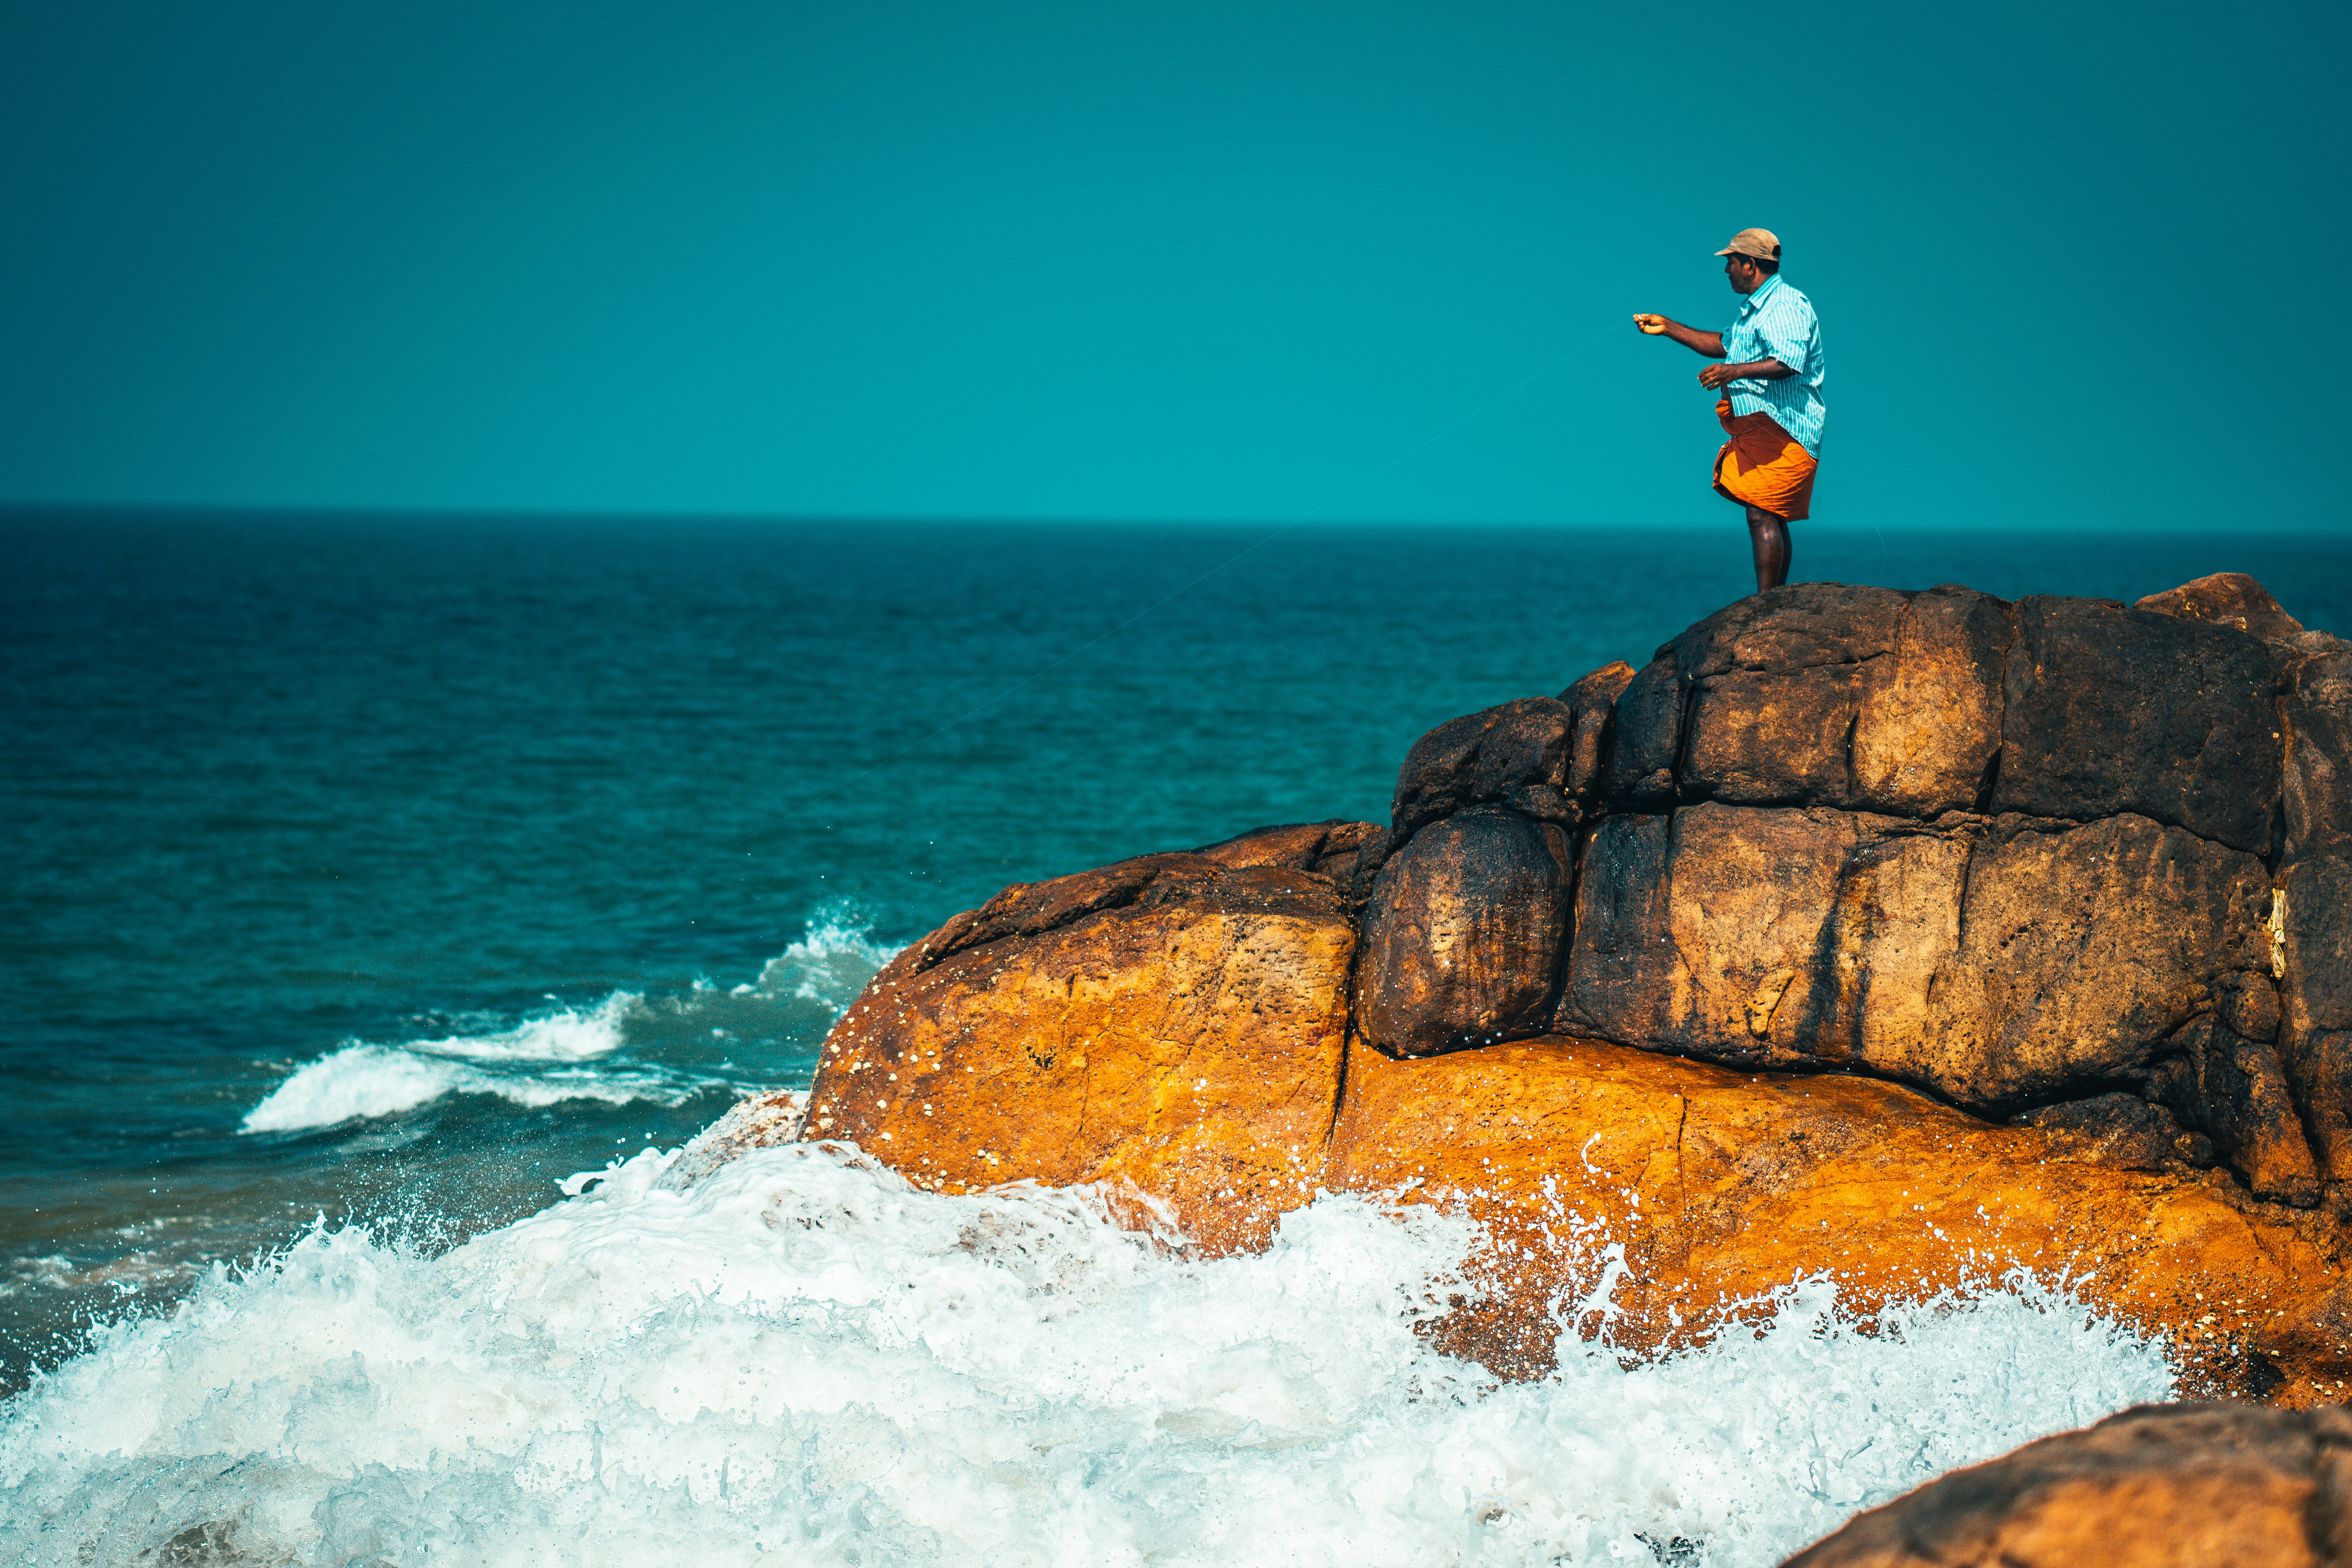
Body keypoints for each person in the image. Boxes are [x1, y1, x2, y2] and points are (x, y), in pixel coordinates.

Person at [1632, 229, 1825, 592]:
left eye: (1732, 263)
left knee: (1761, 511)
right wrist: (1668, 326)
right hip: (1762, 428)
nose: (1727, 271)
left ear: (1750, 266)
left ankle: (1767, 604)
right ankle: (1775, 601)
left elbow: (1787, 361)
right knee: (1768, 511)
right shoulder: (1755, 312)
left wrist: (1733, 371)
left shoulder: (1785, 306)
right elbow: (1723, 344)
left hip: (1786, 428)